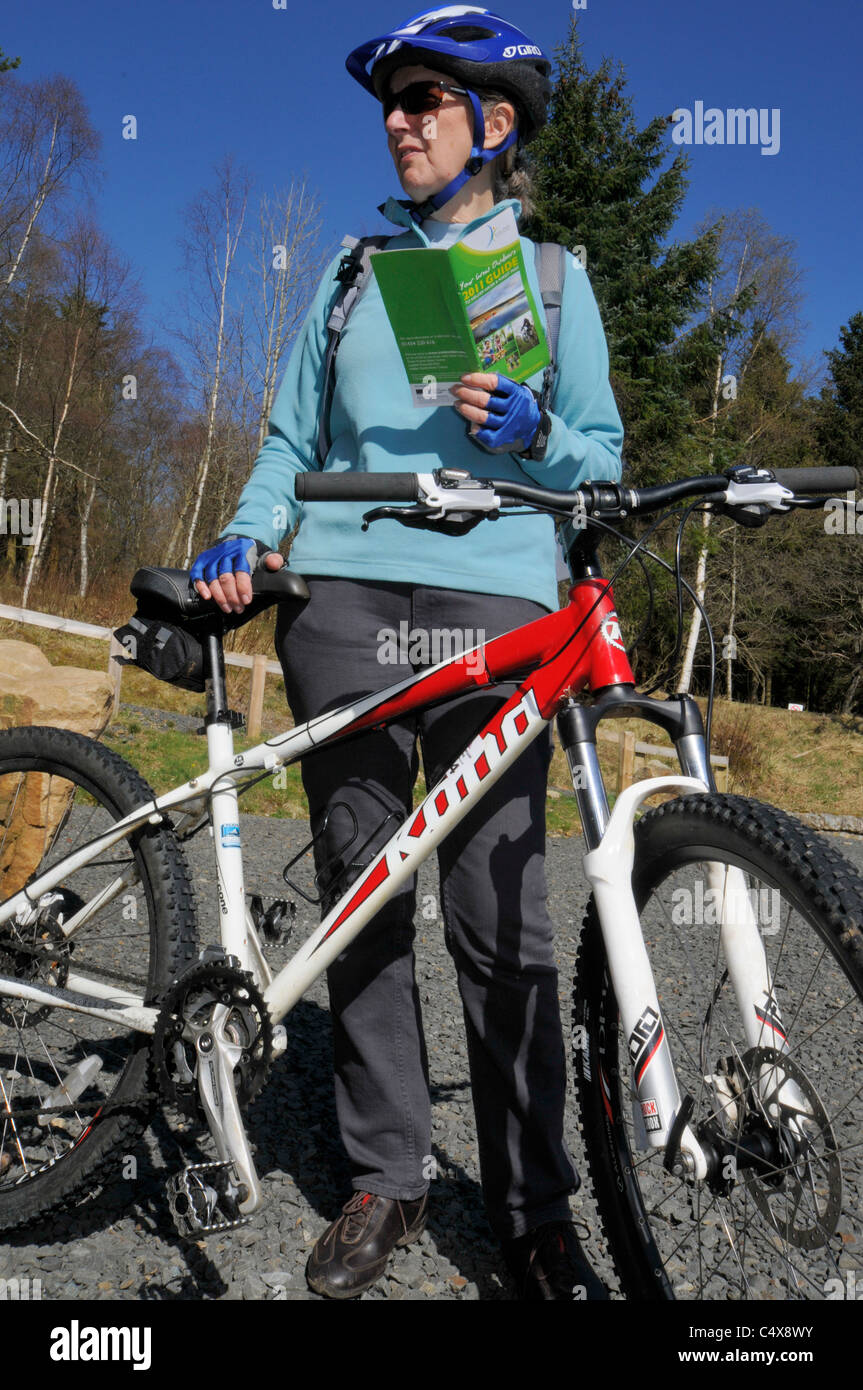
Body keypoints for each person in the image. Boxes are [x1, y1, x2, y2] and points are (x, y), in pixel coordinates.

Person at [191, 6, 624, 1301]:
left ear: (493, 124)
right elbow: (285, 444)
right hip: (342, 604)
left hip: (498, 605)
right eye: (391, 100)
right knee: (363, 895)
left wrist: (542, 428)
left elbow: (600, 463)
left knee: (503, 916)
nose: (399, 118)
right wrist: (245, 530)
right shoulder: (343, 276)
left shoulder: (553, 282)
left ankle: (536, 1200)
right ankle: (388, 1171)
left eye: (426, 97)